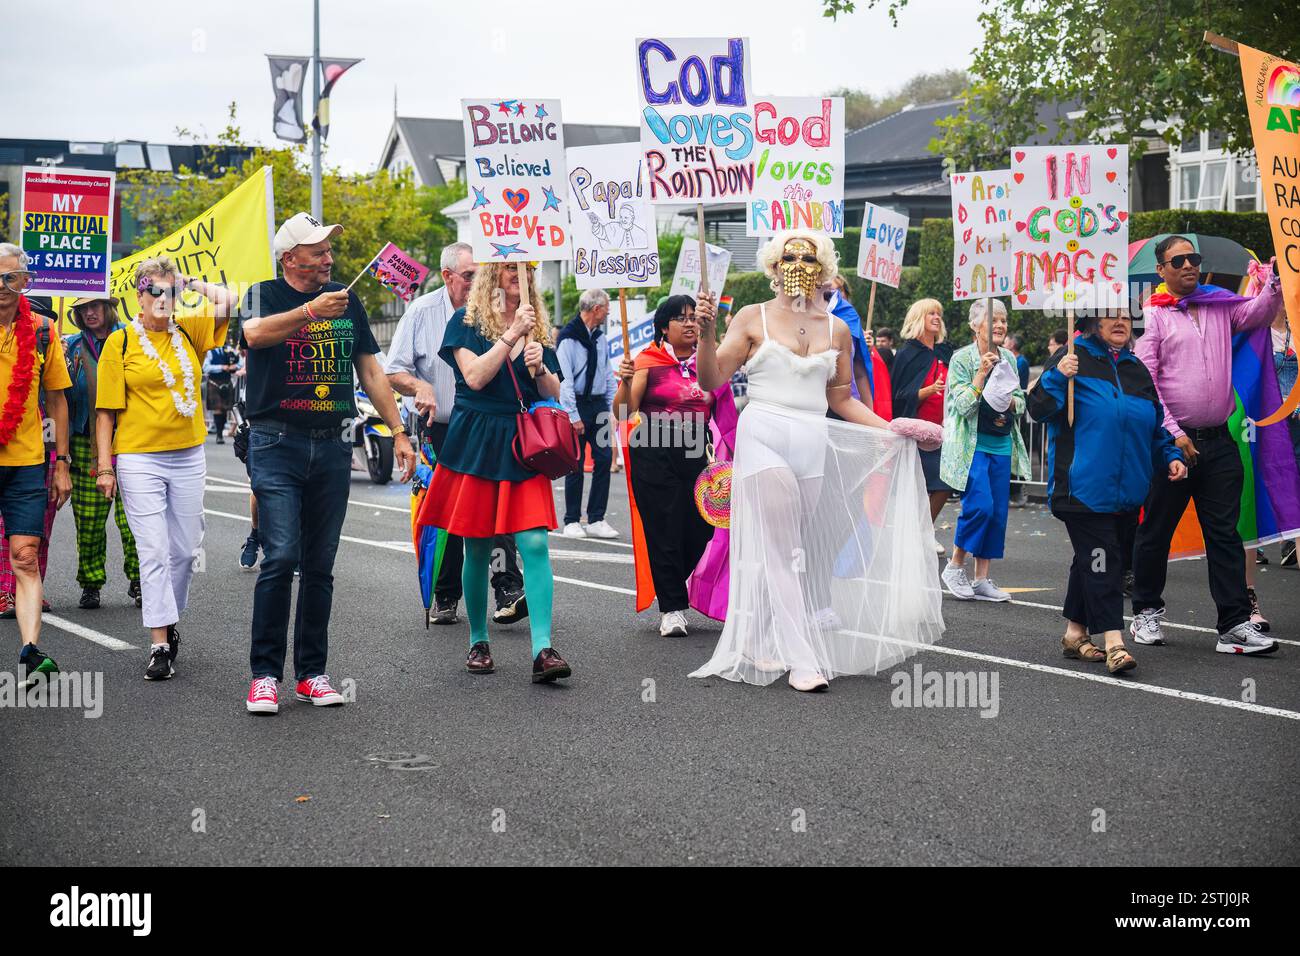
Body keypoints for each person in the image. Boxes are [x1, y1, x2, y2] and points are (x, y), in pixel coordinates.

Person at [689, 231, 944, 692]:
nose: (799, 262)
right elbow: (710, 377)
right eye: (790, 255)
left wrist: (893, 429)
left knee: (789, 547)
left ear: (823, 268)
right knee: (785, 550)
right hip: (763, 433)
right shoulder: (752, 318)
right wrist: (707, 332)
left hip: (811, 440)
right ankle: (802, 658)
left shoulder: (838, 329)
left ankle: (759, 636)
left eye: (809, 256)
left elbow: (842, 398)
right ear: (774, 264)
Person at [240, 212, 415, 714]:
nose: (329, 258)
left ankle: (311, 673)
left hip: (334, 442)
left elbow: (371, 372)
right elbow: (254, 334)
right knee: (281, 556)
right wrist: (311, 312)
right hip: (276, 441)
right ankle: (265, 675)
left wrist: (398, 431)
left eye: (329, 250)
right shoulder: (263, 294)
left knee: (320, 563)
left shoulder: (347, 299)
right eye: (318, 250)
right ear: (289, 257)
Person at [416, 261, 571, 683]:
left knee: (535, 542)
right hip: (475, 439)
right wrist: (512, 335)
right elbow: (475, 376)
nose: (515, 274)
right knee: (477, 545)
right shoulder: (465, 322)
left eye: (523, 268)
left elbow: (555, 392)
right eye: (506, 266)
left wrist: (540, 370)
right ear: (491, 275)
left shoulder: (536, 323)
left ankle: (542, 649)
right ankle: (478, 639)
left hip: (523, 446)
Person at [1129, 236, 1282, 656]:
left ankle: (1233, 625)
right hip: (1172, 446)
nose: (1188, 265)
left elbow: (1258, 314)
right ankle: (1145, 610)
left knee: (1224, 534)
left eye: (1193, 259)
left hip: (1219, 441)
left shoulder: (1219, 305)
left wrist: (1273, 284)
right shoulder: (1154, 316)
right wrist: (1174, 434)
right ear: (1161, 270)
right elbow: (1147, 381)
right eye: (1177, 260)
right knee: (1156, 530)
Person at [95, 256, 235, 680]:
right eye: (153, 290)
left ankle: (168, 621)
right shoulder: (119, 343)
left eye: (169, 292)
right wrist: (106, 468)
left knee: (187, 549)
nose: (162, 298)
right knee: (153, 549)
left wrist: (187, 282)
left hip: (188, 454)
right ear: (138, 294)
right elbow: (105, 413)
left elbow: (228, 301)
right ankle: (159, 642)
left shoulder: (189, 331)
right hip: (139, 457)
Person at [1029, 310, 1187, 673]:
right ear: (1090, 321)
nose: (1120, 322)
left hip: (1128, 491)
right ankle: (1114, 641)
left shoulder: (1136, 369)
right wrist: (1056, 377)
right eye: (1109, 316)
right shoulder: (1072, 356)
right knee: (1105, 559)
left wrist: (1171, 455)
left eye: (1125, 317)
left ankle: (1074, 633)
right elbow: (1037, 409)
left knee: (1091, 558)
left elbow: (1153, 424)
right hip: (1082, 489)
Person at [386, 241, 527, 625]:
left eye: (481, 274)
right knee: (450, 513)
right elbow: (393, 370)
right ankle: (447, 593)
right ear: (448, 277)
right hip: (442, 428)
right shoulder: (422, 312)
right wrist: (420, 387)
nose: (476, 282)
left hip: (488, 427)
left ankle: (507, 588)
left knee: (498, 507)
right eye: (468, 276)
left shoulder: (494, 311)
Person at [614, 294, 719, 637]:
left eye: (693, 317)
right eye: (681, 318)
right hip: (654, 448)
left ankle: (670, 584)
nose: (690, 323)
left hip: (697, 450)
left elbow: (725, 404)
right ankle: (672, 608)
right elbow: (620, 412)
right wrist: (627, 381)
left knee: (702, 527)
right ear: (664, 327)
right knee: (663, 529)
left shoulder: (708, 360)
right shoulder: (648, 360)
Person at [0, 244, 73, 686]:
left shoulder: (44, 331)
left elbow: (58, 401)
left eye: (10, 278)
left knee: (25, 556)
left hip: (27, 462)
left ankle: (30, 649)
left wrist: (61, 463)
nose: (1, 288)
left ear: (25, 281)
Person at [938, 299, 1029, 602]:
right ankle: (954, 566)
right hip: (971, 446)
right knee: (981, 507)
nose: (1001, 326)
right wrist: (980, 375)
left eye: (1004, 320)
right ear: (975, 327)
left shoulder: (1009, 358)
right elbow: (962, 405)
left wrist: (1011, 402)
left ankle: (981, 578)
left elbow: (1020, 401)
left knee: (997, 514)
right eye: (994, 320)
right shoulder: (961, 358)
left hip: (1002, 444)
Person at [62, 295, 142, 610]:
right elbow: (59, 393)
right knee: (89, 521)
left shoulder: (133, 338)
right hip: (84, 441)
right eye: (82, 309)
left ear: (108, 308)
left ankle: (140, 581)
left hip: (131, 440)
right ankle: (91, 583)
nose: (89, 313)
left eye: (94, 306)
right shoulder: (70, 346)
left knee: (133, 521)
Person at [890, 299, 955, 551]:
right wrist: (928, 390)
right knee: (924, 486)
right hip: (916, 432)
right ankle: (918, 532)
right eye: (931, 313)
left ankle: (922, 531)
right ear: (919, 318)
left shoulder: (945, 352)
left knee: (942, 485)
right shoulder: (908, 353)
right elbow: (899, 395)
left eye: (939, 313)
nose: (937, 317)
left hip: (943, 431)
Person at [557, 287, 619, 539]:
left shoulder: (600, 339)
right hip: (578, 404)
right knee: (575, 463)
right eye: (606, 308)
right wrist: (573, 415)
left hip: (598, 405)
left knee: (604, 459)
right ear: (596, 309)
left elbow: (607, 374)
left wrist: (613, 407)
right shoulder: (567, 339)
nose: (608, 313)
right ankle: (572, 519)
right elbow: (565, 379)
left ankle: (596, 518)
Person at [1003, 332, 1032, 507]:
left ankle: (1017, 489)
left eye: (1006, 341)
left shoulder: (1019, 362)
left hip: (1016, 411)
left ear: (1012, 344)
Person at [203, 340, 241, 444]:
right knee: (218, 409)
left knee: (224, 409)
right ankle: (219, 435)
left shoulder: (230, 351)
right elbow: (205, 367)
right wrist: (221, 367)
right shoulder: (210, 351)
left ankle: (220, 432)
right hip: (214, 382)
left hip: (226, 382)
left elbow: (240, 362)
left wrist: (235, 367)